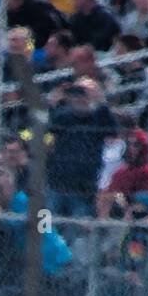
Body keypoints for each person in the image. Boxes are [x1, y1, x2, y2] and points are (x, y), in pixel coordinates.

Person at [46, 77, 116, 216]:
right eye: (75, 93)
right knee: (46, 224)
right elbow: (47, 129)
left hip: (83, 187)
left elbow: (112, 131)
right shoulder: (63, 116)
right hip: (57, 183)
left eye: (82, 93)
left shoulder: (99, 116)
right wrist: (53, 102)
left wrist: (99, 98)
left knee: (79, 228)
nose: (78, 98)